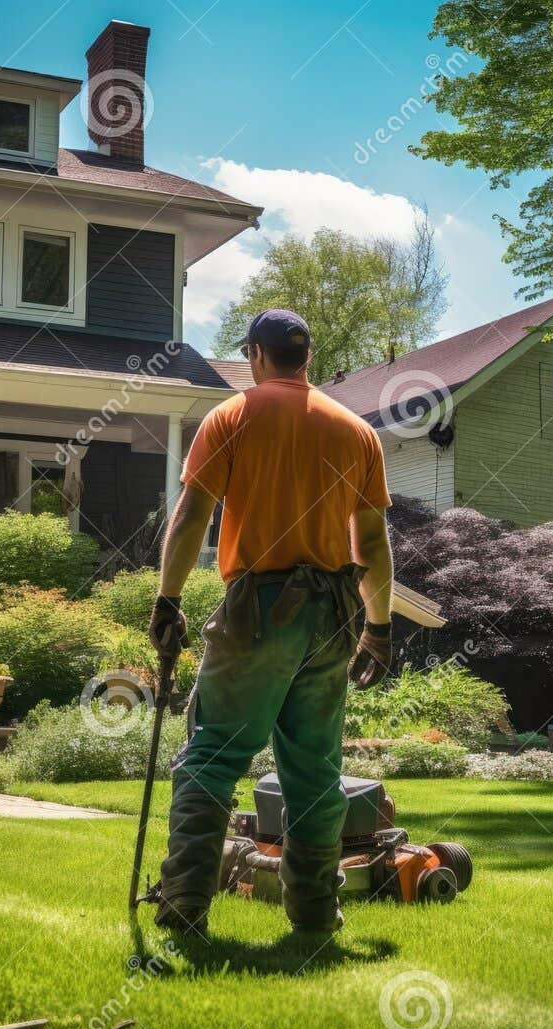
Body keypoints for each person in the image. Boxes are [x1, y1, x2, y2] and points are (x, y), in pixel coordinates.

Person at [147, 308, 394, 936]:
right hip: (332, 618)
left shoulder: (231, 417)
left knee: (211, 756)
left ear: (256, 354)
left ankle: (183, 903)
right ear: (305, 356)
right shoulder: (354, 431)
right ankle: (315, 916)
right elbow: (371, 539)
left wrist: (168, 600)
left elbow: (192, 515)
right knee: (314, 771)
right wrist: (380, 626)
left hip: (258, 610)